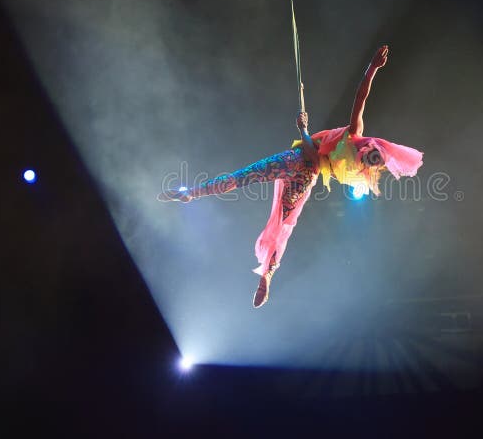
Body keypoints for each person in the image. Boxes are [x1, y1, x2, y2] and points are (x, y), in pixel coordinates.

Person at [159, 45, 423, 307]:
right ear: (372, 146)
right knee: (243, 178)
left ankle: (268, 272)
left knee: (284, 222)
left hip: (303, 171)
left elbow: (313, 156)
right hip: (295, 162)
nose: (370, 159)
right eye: (374, 154)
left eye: (375, 162)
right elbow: (360, 97)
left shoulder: (355, 170)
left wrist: (304, 130)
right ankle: (191, 193)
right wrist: (372, 68)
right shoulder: (354, 133)